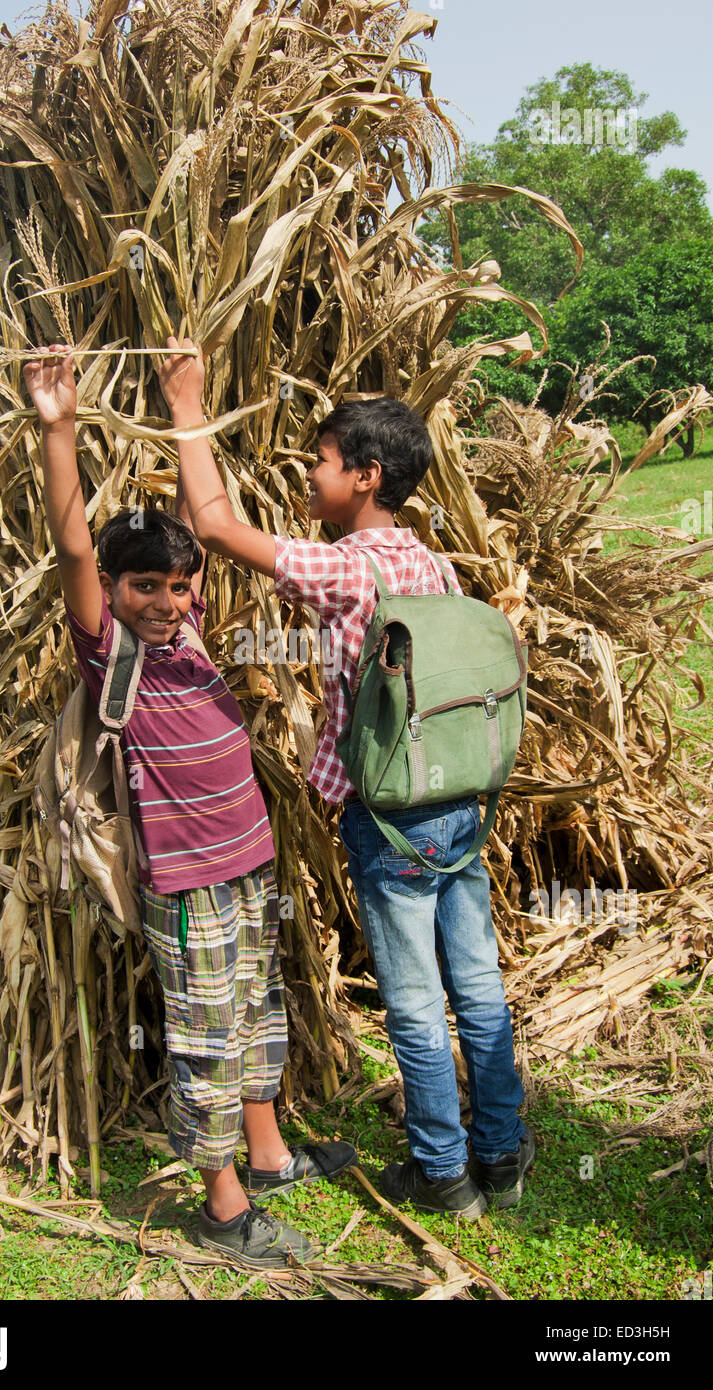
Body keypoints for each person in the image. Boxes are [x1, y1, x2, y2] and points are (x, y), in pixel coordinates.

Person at [158, 335, 534, 1218]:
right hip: (458, 810)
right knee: (477, 985)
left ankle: (442, 1173)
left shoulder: (343, 568)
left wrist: (186, 405)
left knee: (413, 997)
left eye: (321, 465)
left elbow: (212, 527)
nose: (310, 480)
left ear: (364, 475)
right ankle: (505, 1157)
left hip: (389, 817)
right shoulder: (431, 563)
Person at [24, 345, 356, 1266]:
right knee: (207, 1036)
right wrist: (59, 428)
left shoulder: (190, 627)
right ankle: (220, 1209)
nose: (168, 600)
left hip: (248, 861)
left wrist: (187, 404)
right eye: (147, 588)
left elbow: (196, 529)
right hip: (188, 879)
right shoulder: (110, 651)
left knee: (255, 1011)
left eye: (179, 587)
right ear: (114, 598)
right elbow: (75, 546)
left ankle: (270, 1153)